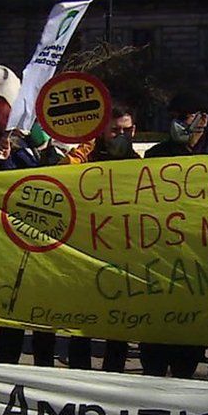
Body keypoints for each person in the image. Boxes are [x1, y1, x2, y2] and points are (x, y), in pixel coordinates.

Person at [0, 95, 56, 366]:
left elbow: (34, 180)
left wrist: (34, 151)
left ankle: (7, 366)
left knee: (13, 314)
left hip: (19, 245)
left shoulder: (20, 147)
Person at [138, 91, 208, 378]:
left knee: (186, 360)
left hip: (200, 267)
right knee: (153, 359)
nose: (177, 123)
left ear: (203, 119)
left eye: (183, 117)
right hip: (160, 261)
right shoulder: (156, 155)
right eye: (173, 118)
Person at [64, 102, 140, 372]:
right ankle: (79, 374)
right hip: (86, 252)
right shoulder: (85, 159)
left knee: (118, 326)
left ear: (134, 131)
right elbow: (60, 181)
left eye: (126, 130)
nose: (121, 135)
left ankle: (114, 375)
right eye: (114, 130)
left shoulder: (140, 166)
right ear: (102, 131)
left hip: (123, 255)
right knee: (82, 324)